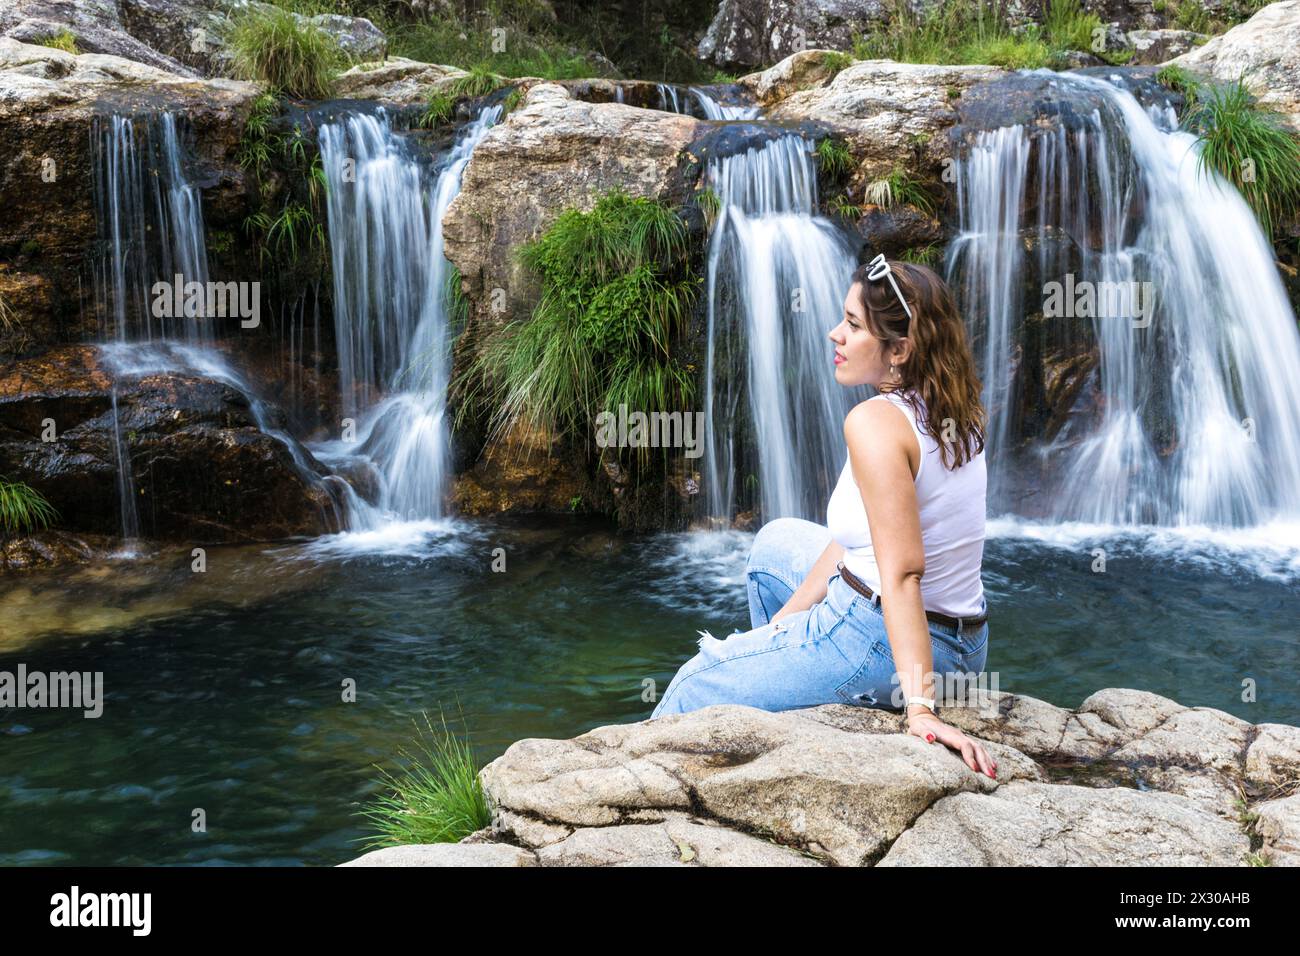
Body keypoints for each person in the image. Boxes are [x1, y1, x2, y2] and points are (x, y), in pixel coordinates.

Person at [649, 256, 996, 780]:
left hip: (883, 639)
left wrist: (920, 708)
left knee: (696, 681)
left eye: (854, 326)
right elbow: (865, 536)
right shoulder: (954, 407)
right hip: (965, 644)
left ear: (899, 350)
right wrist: (788, 627)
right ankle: (789, 683)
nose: (835, 334)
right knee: (773, 546)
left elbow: (902, 572)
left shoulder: (876, 423)